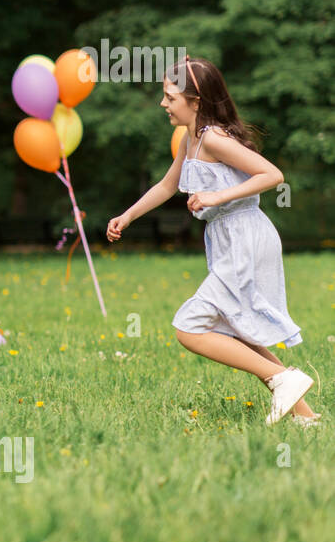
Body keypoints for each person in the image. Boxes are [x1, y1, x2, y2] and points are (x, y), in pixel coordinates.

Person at [106, 57, 318, 427]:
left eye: (170, 97)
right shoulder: (192, 139)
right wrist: (128, 216)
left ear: (196, 101)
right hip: (229, 239)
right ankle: (305, 416)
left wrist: (217, 197)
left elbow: (272, 174)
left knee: (189, 327)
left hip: (244, 238)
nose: (163, 104)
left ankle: (283, 378)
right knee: (241, 328)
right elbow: (167, 186)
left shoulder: (215, 138)